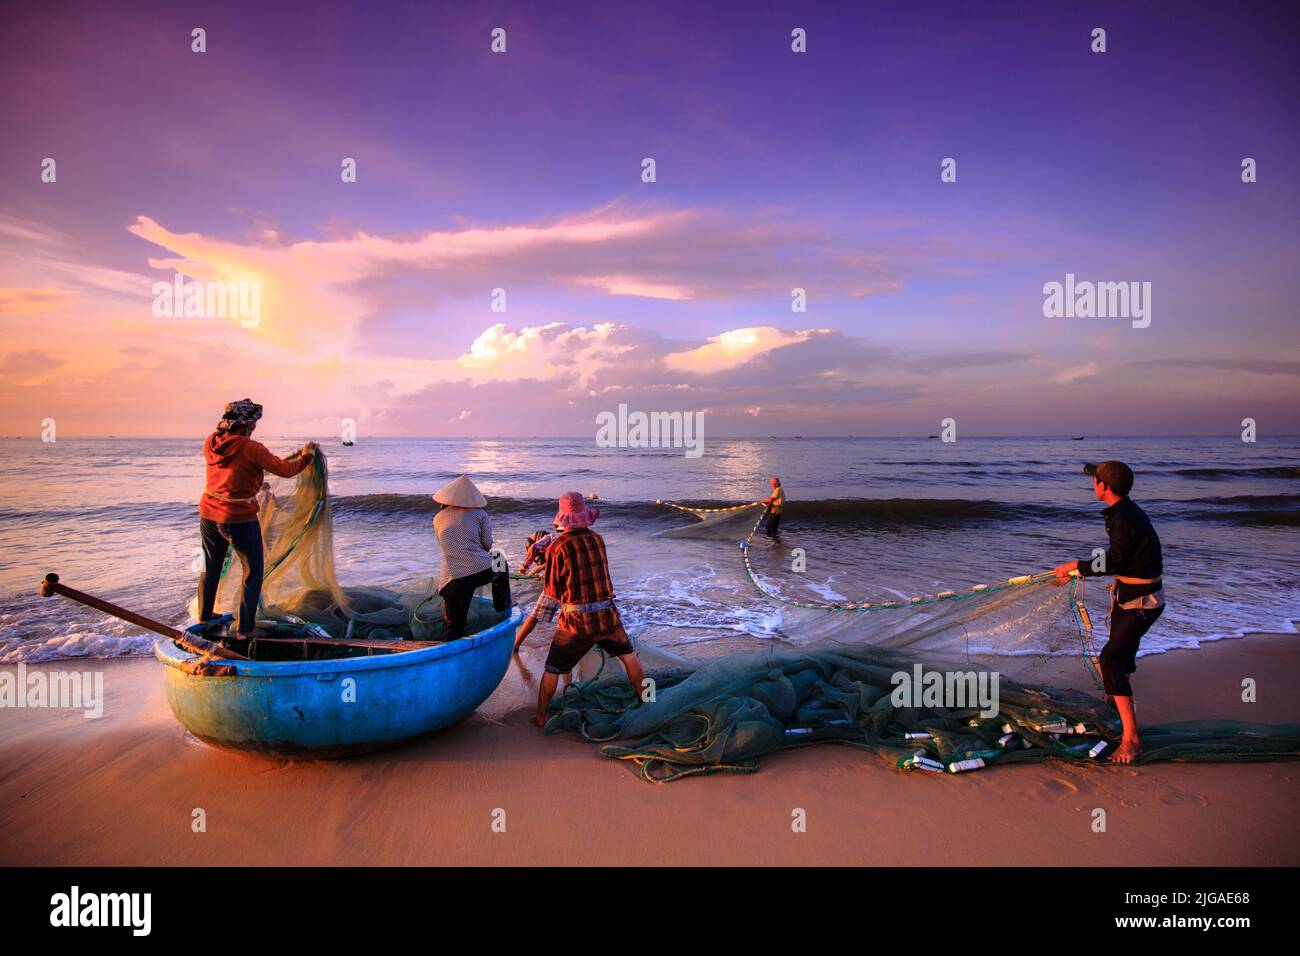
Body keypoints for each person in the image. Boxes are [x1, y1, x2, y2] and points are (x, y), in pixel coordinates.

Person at [1052, 460, 1164, 764]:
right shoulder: (1121, 512)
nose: (1093, 484)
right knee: (1121, 659)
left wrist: (1076, 567)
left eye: (1095, 480)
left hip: (1142, 603)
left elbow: (1114, 561)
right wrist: (1078, 568)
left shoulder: (1125, 518)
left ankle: (1132, 740)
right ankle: (1114, 716)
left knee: (1112, 659)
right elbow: (1122, 558)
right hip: (1128, 596)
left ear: (1105, 487)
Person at [513, 492, 646, 727]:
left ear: (562, 520)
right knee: (630, 659)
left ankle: (541, 717)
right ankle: (646, 704)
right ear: (583, 516)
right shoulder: (598, 539)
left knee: (552, 668)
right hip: (608, 616)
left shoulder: (558, 547)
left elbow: (552, 590)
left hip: (576, 622)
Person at [198, 399, 314, 647]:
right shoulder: (252, 448)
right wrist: (306, 458)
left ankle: (205, 617)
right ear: (248, 424)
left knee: (211, 565)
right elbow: (285, 470)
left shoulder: (212, 442)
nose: (255, 428)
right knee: (253, 571)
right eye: (254, 423)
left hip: (208, 511)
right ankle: (246, 630)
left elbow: (238, 470)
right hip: (237, 517)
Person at [432, 474, 495, 640]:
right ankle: (503, 603)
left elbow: (445, 545)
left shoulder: (438, 517)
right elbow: (488, 545)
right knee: (499, 559)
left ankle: (448, 652)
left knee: (452, 623)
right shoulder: (481, 514)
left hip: (449, 581)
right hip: (480, 572)